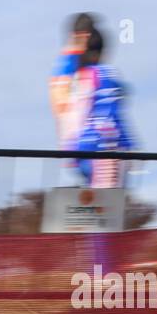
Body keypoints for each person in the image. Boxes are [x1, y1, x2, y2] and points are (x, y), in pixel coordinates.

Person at [70, 28, 135, 188]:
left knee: (92, 204)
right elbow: (114, 114)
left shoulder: (80, 77)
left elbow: (76, 117)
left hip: (84, 148)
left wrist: (73, 151)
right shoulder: (109, 74)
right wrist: (129, 144)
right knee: (108, 205)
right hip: (108, 147)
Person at [49, 12, 98, 154]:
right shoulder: (70, 62)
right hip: (81, 140)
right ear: (85, 36)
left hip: (76, 140)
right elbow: (61, 104)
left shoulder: (65, 62)